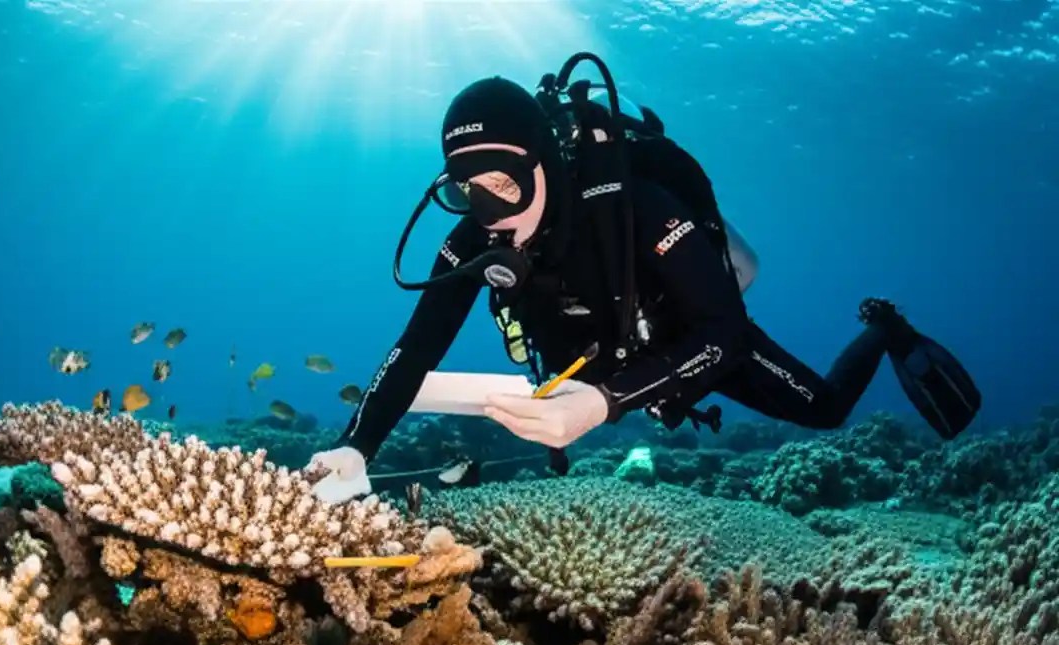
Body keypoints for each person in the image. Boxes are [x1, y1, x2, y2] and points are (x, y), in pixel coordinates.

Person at [307, 53, 980, 504]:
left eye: (504, 185)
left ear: (545, 165)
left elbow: (726, 332)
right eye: (466, 192)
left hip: (689, 339)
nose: (488, 216)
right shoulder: (472, 241)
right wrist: (356, 447)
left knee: (826, 411)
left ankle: (886, 328)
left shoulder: (631, 209)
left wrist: (603, 402)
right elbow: (415, 350)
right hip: (606, 362)